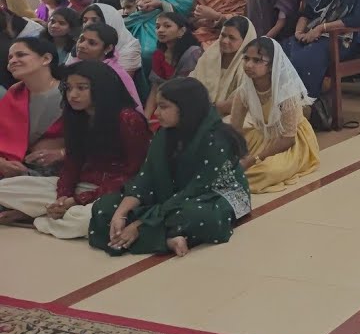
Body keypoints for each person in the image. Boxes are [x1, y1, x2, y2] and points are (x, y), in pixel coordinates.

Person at [89, 77, 251, 257]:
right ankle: (167, 240)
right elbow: (145, 178)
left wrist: (139, 224)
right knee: (103, 209)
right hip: (171, 193)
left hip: (214, 196)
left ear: (186, 108)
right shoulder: (164, 134)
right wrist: (121, 213)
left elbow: (193, 191)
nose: (156, 113)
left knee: (198, 217)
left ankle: (148, 237)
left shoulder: (216, 139)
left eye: (164, 107)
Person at [0, 61, 149, 238]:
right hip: (83, 184)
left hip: (117, 190)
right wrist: (63, 196)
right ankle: (51, 212)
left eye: (81, 88)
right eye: (69, 88)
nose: (73, 95)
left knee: (81, 221)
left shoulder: (128, 119)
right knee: (5, 188)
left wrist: (77, 200)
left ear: (102, 88)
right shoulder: (75, 116)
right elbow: (72, 163)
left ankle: (36, 215)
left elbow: (135, 173)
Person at [230, 37, 321, 193]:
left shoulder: (286, 93)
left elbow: (288, 139)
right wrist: (237, 154)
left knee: (266, 172)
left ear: (272, 66)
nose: (249, 65)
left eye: (257, 60)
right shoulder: (244, 91)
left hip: (290, 144)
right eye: (246, 58)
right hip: (261, 136)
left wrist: (254, 159)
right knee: (223, 162)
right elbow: (234, 129)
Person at [0, 38, 66, 182]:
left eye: (21, 55)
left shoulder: (71, 93)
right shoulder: (15, 93)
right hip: (12, 169)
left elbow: (98, 141)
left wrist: (61, 153)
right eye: (10, 57)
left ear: (46, 59)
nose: (12, 61)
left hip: (58, 174)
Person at [67, 23, 143, 109]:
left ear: (108, 48)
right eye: (81, 40)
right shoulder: (73, 64)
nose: (82, 45)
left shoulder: (115, 74)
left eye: (92, 43)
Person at [144, 12, 203, 121]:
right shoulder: (159, 54)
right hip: (164, 103)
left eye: (167, 26)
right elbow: (155, 88)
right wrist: (146, 118)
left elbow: (187, 91)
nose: (160, 30)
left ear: (182, 31)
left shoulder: (193, 53)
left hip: (186, 106)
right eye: (157, 27)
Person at [192, 16, 256, 116]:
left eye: (232, 38)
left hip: (232, 115)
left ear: (245, 41)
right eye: (223, 35)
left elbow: (241, 102)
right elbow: (192, 82)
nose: (225, 41)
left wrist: (212, 109)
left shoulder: (249, 65)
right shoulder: (210, 55)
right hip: (200, 109)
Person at [81, 4, 142, 74]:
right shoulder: (82, 42)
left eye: (94, 20)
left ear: (110, 20)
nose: (87, 24)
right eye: (84, 21)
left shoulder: (130, 47)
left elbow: (120, 82)